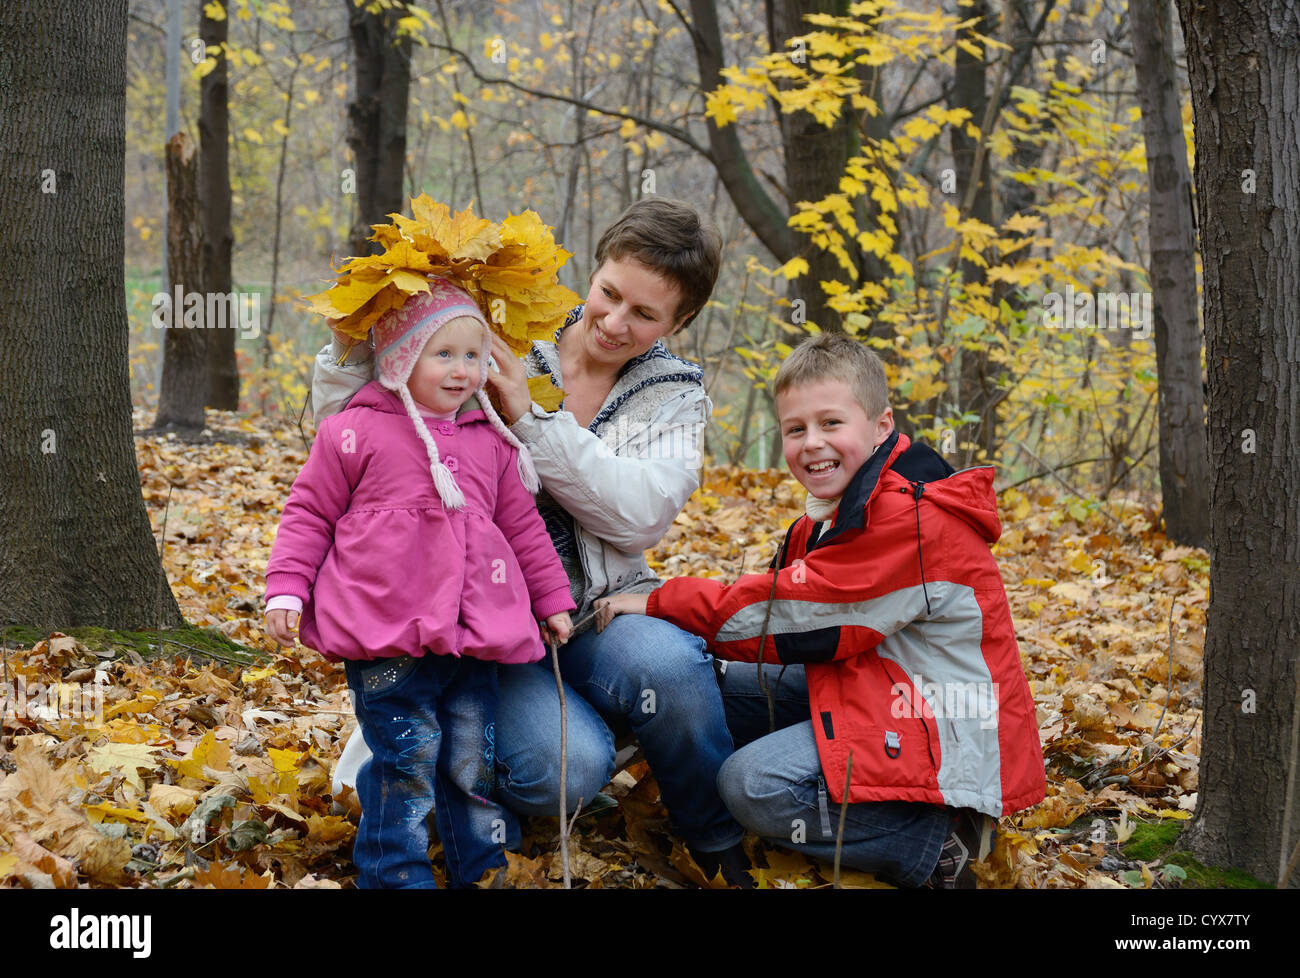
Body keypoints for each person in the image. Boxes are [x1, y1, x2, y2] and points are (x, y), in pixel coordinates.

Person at [312, 197, 754, 885]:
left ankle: (717, 842)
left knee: (671, 670)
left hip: (606, 607)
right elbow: (358, 429)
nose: (613, 322)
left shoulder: (675, 397)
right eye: (609, 294)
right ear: (596, 268)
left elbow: (637, 519)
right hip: (489, 623)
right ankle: (480, 808)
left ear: (681, 322)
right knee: (566, 767)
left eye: (644, 314)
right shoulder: (508, 336)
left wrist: (532, 420)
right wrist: (355, 339)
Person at [596, 333, 1046, 887]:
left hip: (945, 736)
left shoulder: (911, 519)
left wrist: (661, 603)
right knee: (706, 683)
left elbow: (797, 615)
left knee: (754, 785)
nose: (812, 443)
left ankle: (936, 842)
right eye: (795, 429)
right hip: (880, 688)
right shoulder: (839, 510)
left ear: (882, 427)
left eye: (831, 423)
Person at [264, 280, 575, 888]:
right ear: (401, 356)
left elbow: (523, 530)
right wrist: (286, 588)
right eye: (444, 354)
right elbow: (308, 513)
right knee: (406, 759)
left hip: (471, 639)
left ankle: (481, 870)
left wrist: (553, 598)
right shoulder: (354, 433)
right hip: (387, 637)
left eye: (473, 356)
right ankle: (395, 874)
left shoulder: (491, 443)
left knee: (470, 765)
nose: (462, 371)